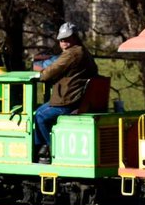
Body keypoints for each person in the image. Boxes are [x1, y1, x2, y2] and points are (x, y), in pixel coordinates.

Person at [33, 22, 97, 164]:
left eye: (67, 39)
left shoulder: (71, 53)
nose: (64, 43)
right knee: (41, 111)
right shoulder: (84, 52)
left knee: (39, 115)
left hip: (69, 100)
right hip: (78, 98)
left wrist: (41, 71)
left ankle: (49, 149)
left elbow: (47, 74)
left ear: (74, 38)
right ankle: (43, 147)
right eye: (61, 40)